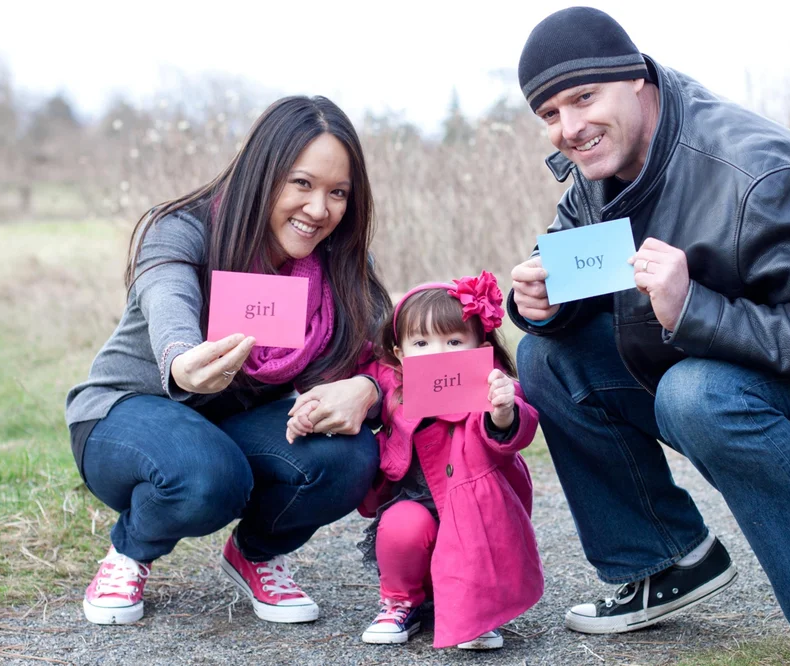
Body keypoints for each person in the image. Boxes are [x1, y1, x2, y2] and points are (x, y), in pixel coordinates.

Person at [508, 8, 790, 666]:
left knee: (694, 392)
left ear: (636, 79)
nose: (569, 129)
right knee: (546, 356)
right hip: (737, 376)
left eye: (583, 98)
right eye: (550, 114)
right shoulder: (600, 173)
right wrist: (540, 305)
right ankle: (671, 560)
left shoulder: (756, 171)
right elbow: (577, 279)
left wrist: (693, 309)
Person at [65, 95, 391, 626]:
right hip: (125, 413)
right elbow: (165, 292)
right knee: (206, 475)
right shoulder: (184, 227)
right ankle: (129, 550)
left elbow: (388, 348)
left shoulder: (341, 263)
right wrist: (180, 358)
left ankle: (255, 555)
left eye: (338, 193)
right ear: (263, 173)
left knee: (349, 456)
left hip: (230, 427)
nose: (318, 209)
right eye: (301, 184)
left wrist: (369, 390)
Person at [290, 272, 542, 649]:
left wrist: (502, 411)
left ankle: (478, 610)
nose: (438, 353)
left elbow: (513, 431)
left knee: (474, 538)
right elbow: (351, 389)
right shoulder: (393, 383)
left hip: (472, 503)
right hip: (414, 499)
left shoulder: (490, 386)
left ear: (479, 346)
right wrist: (312, 413)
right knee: (401, 527)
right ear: (400, 353)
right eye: (421, 342)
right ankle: (400, 601)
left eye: (454, 341)